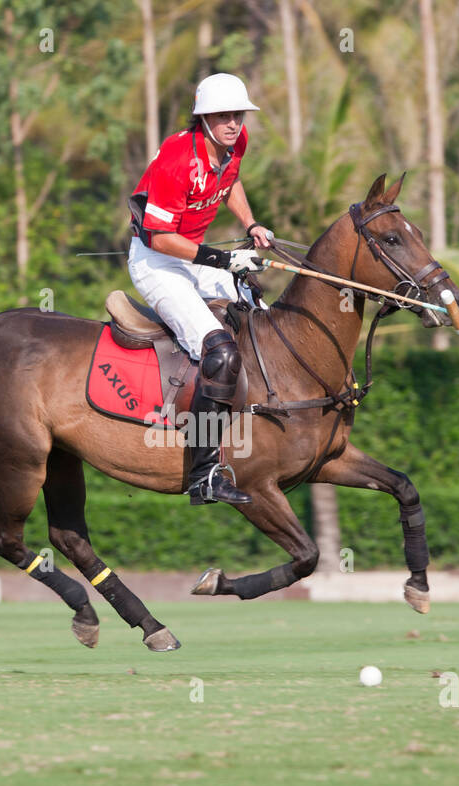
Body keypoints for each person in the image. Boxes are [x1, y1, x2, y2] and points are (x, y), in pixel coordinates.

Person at [126, 73, 274, 506]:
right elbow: (158, 237)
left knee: (258, 307)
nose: (233, 123)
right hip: (157, 262)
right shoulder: (177, 158)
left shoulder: (236, 143)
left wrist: (251, 225)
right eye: (224, 116)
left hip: (193, 255)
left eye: (238, 115)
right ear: (204, 119)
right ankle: (203, 474)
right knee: (221, 351)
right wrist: (224, 259)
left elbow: (231, 184)